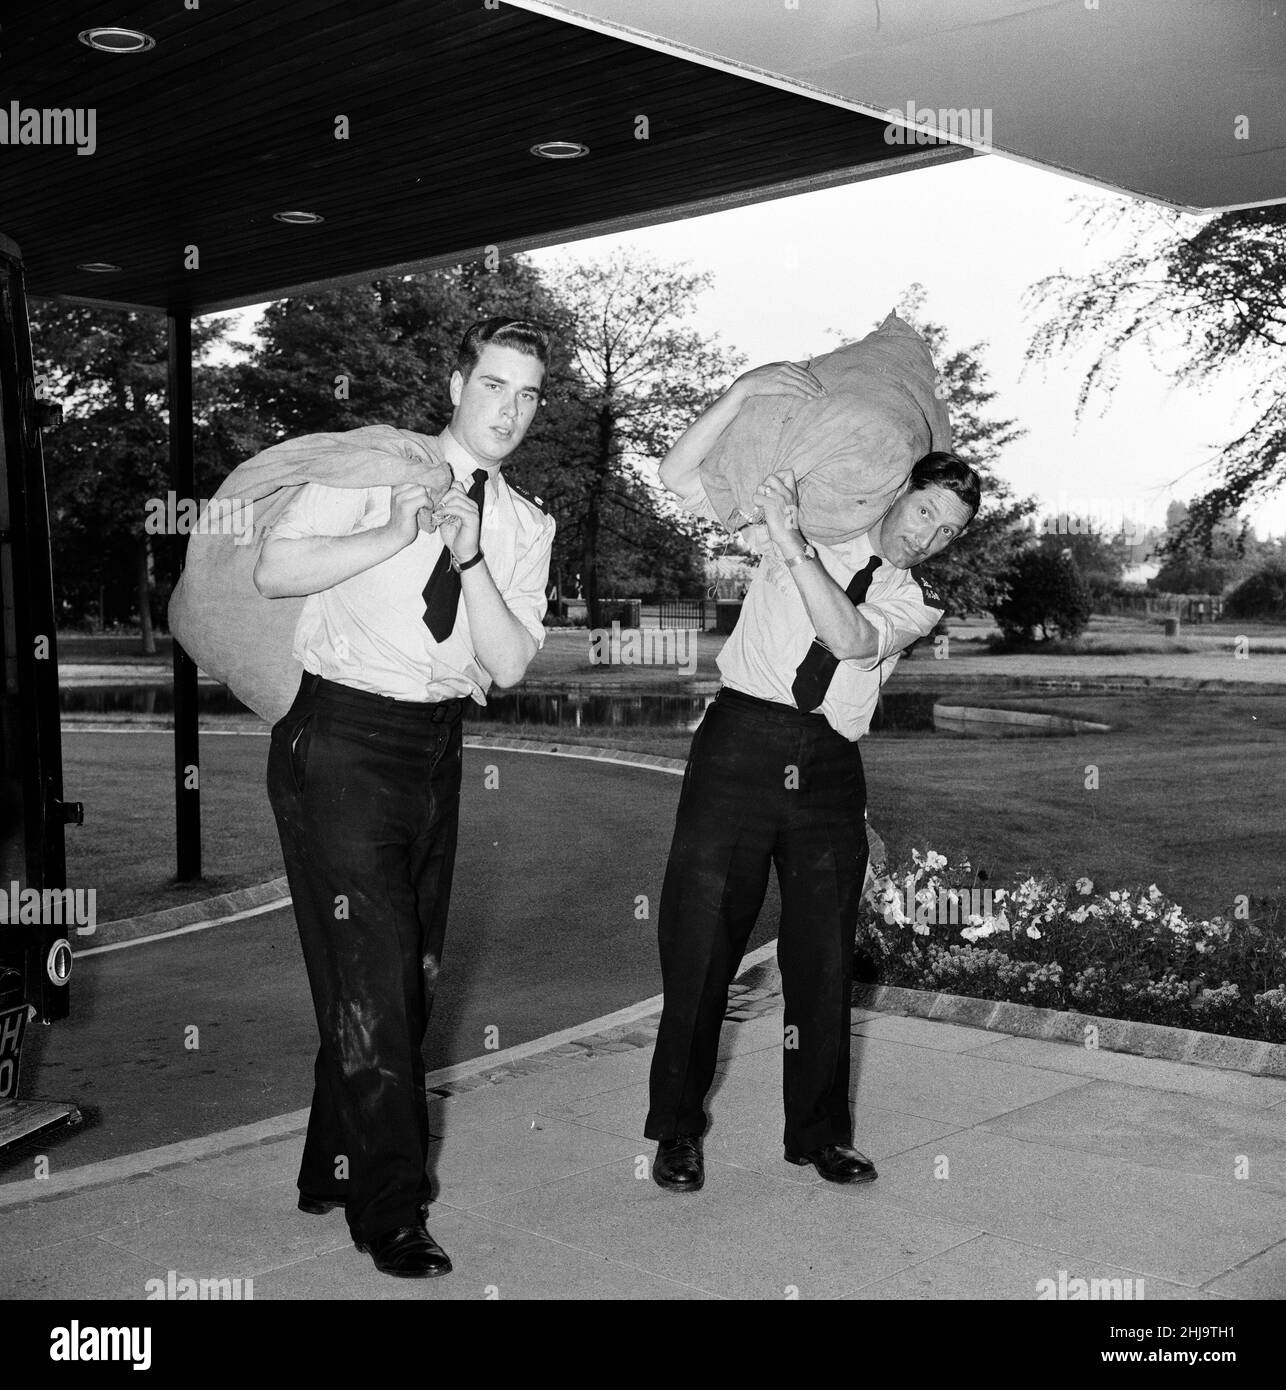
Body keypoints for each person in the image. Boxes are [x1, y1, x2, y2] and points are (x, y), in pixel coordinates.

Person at [254, 318, 555, 1277]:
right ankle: (392, 1208)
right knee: (376, 980)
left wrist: (469, 557)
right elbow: (274, 569)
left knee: (400, 978)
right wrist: (394, 529)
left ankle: (330, 1166)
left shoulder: (526, 525)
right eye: (494, 386)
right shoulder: (374, 465)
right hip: (337, 735)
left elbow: (504, 664)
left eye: (527, 395)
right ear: (457, 382)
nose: (507, 410)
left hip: (433, 748)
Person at [644, 361, 981, 1192]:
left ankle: (820, 1134)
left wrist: (790, 545)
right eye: (926, 511)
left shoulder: (916, 598)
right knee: (700, 946)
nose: (928, 535)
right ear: (899, 490)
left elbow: (853, 641)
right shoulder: (808, 515)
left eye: (948, 531)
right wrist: (742, 393)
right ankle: (677, 1134)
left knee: (825, 957)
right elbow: (675, 476)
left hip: (830, 765)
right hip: (739, 743)